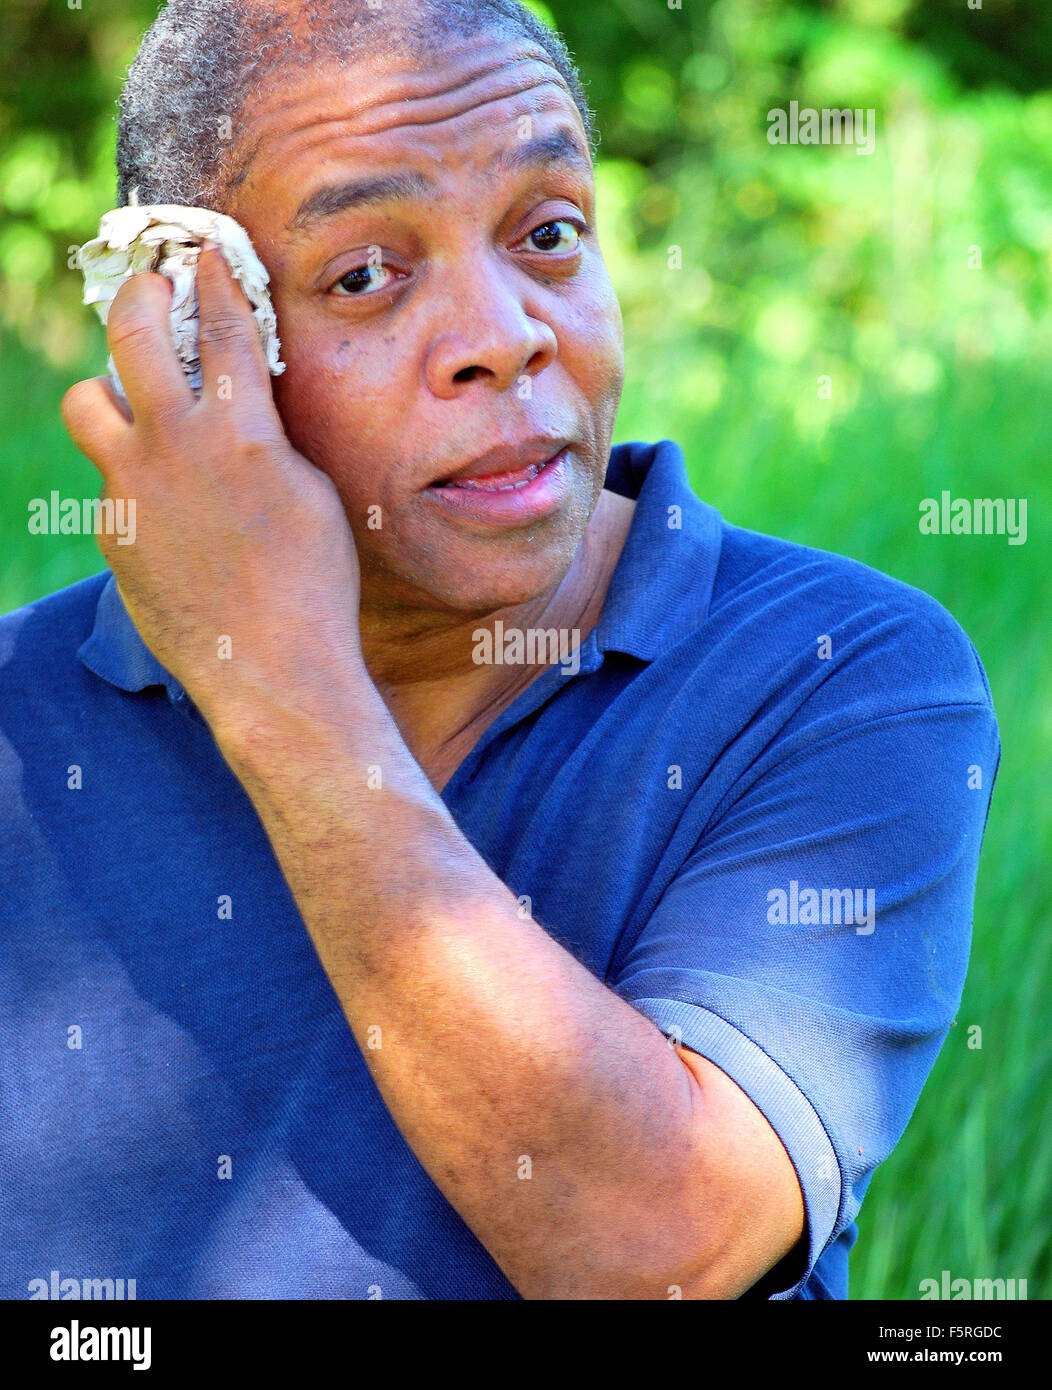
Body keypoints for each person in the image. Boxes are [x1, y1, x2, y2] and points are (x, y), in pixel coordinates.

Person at [0, 0, 998, 1300]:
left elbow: (668, 1250)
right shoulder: (26, 721)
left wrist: (278, 685)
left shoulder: (832, 674)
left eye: (549, 235)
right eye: (367, 272)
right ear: (190, 332)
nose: (507, 334)